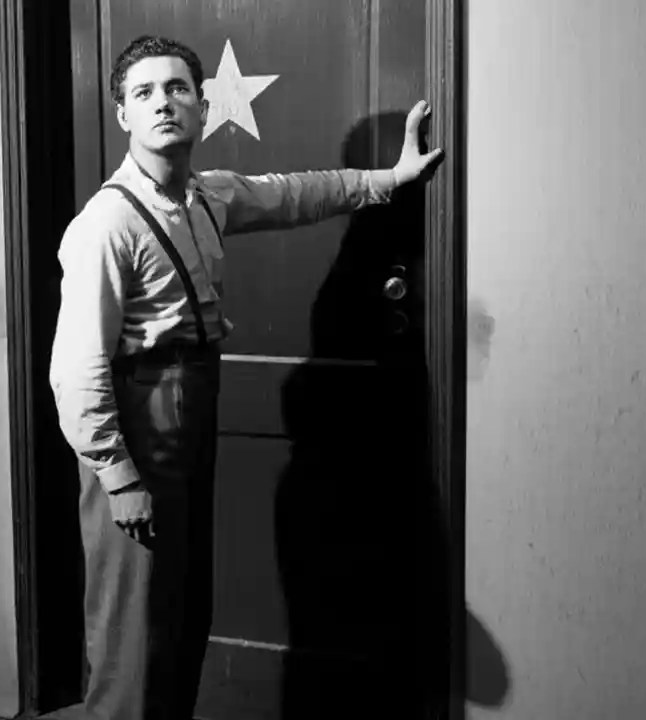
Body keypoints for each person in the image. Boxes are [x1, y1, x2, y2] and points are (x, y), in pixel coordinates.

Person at [48, 34, 444, 720]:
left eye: (177, 89)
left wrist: (389, 182)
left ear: (201, 109)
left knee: (182, 606)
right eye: (144, 93)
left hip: (191, 409)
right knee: (133, 622)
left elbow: (294, 194)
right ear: (123, 116)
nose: (163, 104)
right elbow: (75, 370)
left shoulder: (208, 196)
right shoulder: (106, 225)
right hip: (136, 426)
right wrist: (118, 477)